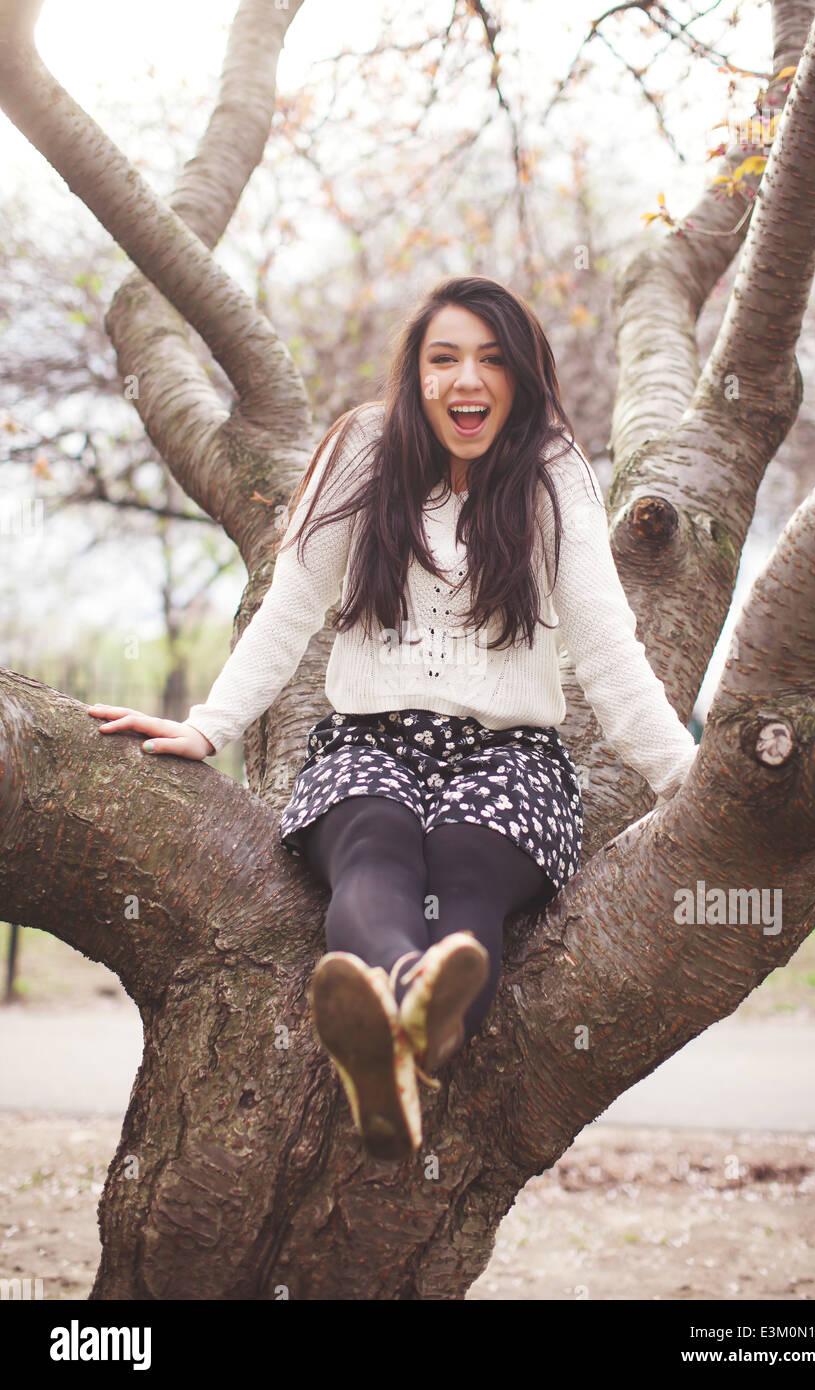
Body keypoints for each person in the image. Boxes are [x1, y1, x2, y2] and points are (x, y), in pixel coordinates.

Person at [87, 274, 698, 1164]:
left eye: (492, 360)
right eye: (443, 358)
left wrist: (689, 780)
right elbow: (290, 608)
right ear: (413, 373)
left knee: (467, 873)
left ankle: (393, 1044)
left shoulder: (553, 471)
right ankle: (402, 1021)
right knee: (370, 848)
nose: (467, 380)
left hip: (510, 756)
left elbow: (608, 650)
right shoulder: (363, 449)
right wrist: (209, 726)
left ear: (523, 378)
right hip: (369, 741)